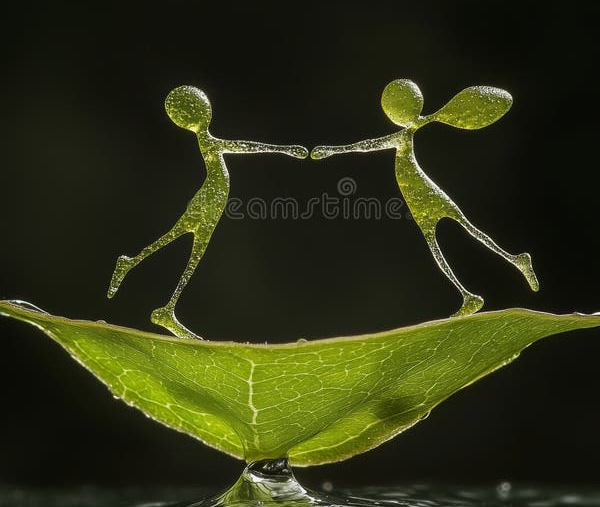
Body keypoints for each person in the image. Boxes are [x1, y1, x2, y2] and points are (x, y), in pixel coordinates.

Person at [311, 78, 539, 315]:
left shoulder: (403, 136)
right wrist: (332, 151)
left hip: (423, 194)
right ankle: (480, 285)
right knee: (453, 235)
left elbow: (366, 145)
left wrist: (333, 150)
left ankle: (492, 277)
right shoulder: (415, 129)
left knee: (448, 237)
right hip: (418, 195)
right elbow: (368, 144)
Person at [108, 85, 308, 337]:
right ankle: (157, 297)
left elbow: (238, 146)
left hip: (212, 200)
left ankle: (147, 284)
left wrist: (283, 150)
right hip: (209, 200)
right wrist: (283, 149)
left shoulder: (205, 139)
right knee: (190, 248)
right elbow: (241, 146)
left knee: (183, 243)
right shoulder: (208, 141)